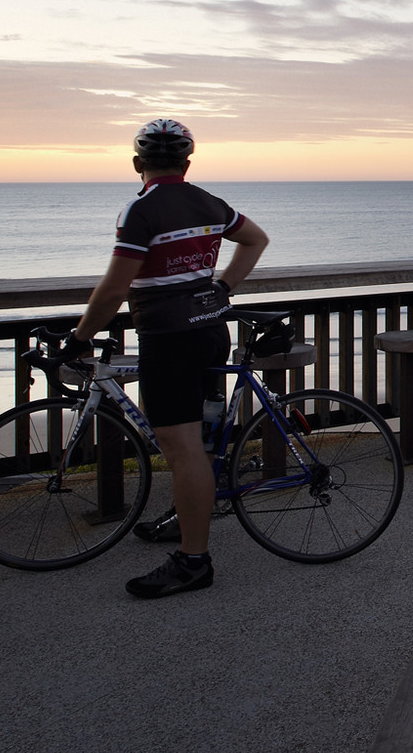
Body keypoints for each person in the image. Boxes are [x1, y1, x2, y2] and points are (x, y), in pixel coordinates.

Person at [66, 118, 268, 600]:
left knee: (182, 452)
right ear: (187, 162)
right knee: (198, 441)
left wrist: (79, 337)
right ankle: (187, 519)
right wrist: (222, 287)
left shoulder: (140, 210)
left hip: (168, 339)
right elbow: (257, 239)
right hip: (209, 332)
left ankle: (194, 561)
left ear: (138, 164)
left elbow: (116, 287)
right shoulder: (209, 202)